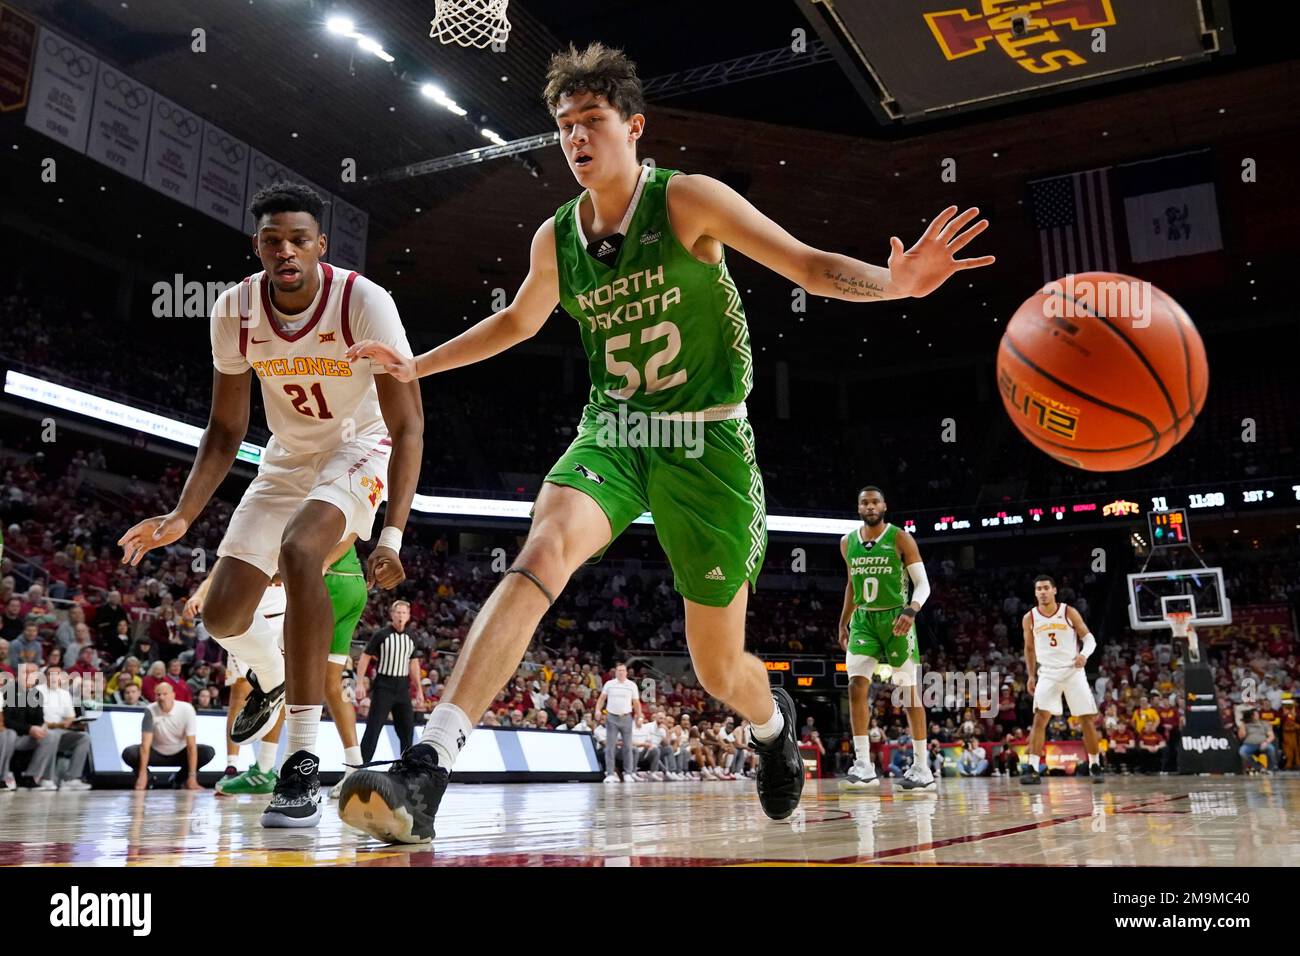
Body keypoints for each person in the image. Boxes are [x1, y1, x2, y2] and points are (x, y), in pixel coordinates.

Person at [337, 42, 991, 844]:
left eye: (591, 122)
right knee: (540, 551)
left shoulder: (688, 201)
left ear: (634, 127)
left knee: (720, 670)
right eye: (563, 127)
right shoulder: (557, 239)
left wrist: (895, 282)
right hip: (614, 431)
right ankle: (430, 767)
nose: (576, 139)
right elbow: (516, 322)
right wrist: (417, 365)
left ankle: (772, 726)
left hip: (707, 446)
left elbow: (808, 266)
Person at [117, 182, 423, 828]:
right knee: (223, 616)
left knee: (300, 548)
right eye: (272, 240)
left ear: (321, 246)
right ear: (257, 247)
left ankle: (301, 765)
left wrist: (393, 533)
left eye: (298, 239)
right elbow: (226, 429)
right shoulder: (233, 311)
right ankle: (272, 674)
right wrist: (181, 516)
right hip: (284, 458)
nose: (286, 251)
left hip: (360, 449)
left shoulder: (365, 302)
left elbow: (410, 422)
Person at [838, 486, 933, 790]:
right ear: (858, 508)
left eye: (874, 501)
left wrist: (911, 610)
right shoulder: (847, 542)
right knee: (855, 686)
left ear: (884, 506)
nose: (869, 506)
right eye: (864, 502)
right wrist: (843, 621)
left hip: (896, 619)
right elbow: (852, 585)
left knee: (907, 693)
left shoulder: (900, 537)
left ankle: (922, 767)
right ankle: (863, 764)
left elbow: (923, 584)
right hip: (864, 619)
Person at [1020, 575, 1103, 785]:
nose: (1042, 592)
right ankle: (1032, 767)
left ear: (1054, 590)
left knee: (1086, 718)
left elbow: (1089, 638)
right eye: (1038, 589)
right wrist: (1031, 675)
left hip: (1072, 671)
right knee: (1039, 719)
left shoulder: (1068, 611)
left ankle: (1095, 764)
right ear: (1035, 592)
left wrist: (1084, 654)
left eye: (1046, 588)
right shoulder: (1029, 617)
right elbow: (1029, 649)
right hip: (1047, 673)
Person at [358, 600, 422, 765]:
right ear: (392, 615)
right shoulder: (381, 634)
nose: (400, 616)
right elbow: (365, 657)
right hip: (383, 687)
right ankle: (358, 766)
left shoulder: (411, 637)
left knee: (407, 730)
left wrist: (419, 689)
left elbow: (413, 663)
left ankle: (405, 767)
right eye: (398, 612)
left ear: (408, 616)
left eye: (404, 613)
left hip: (402, 688)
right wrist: (359, 682)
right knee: (373, 729)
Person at [122, 681, 214, 790]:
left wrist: (192, 778)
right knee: (129, 753)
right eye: (158, 694)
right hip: (156, 752)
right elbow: (145, 745)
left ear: (173, 695)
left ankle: (180, 779)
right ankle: (149, 779)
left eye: (165, 694)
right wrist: (142, 775)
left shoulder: (187, 709)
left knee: (207, 752)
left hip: (180, 751)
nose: (161, 697)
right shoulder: (150, 710)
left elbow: (191, 746)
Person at [595, 662, 642, 782]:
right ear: (615, 672)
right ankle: (610, 773)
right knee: (610, 747)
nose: (621, 672)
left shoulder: (632, 685)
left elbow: (636, 702)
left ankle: (628, 773)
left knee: (628, 746)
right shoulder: (609, 684)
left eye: (623, 670)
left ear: (626, 672)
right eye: (619, 670)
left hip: (626, 717)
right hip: (612, 717)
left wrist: (639, 716)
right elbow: (602, 698)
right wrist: (597, 710)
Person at [1238, 710, 1278, 774]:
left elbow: (1271, 736)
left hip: (1263, 744)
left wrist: (1266, 742)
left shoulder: (1264, 723)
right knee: (1242, 752)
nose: (1257, 715)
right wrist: (1243, 724)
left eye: (1257, 714)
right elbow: (1241, 737)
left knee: (1271, 749)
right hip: (1249, 744)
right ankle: (1259, 767)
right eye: (1255, 715)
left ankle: (1270, 769)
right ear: (1251, 716)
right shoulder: (1246, 725)